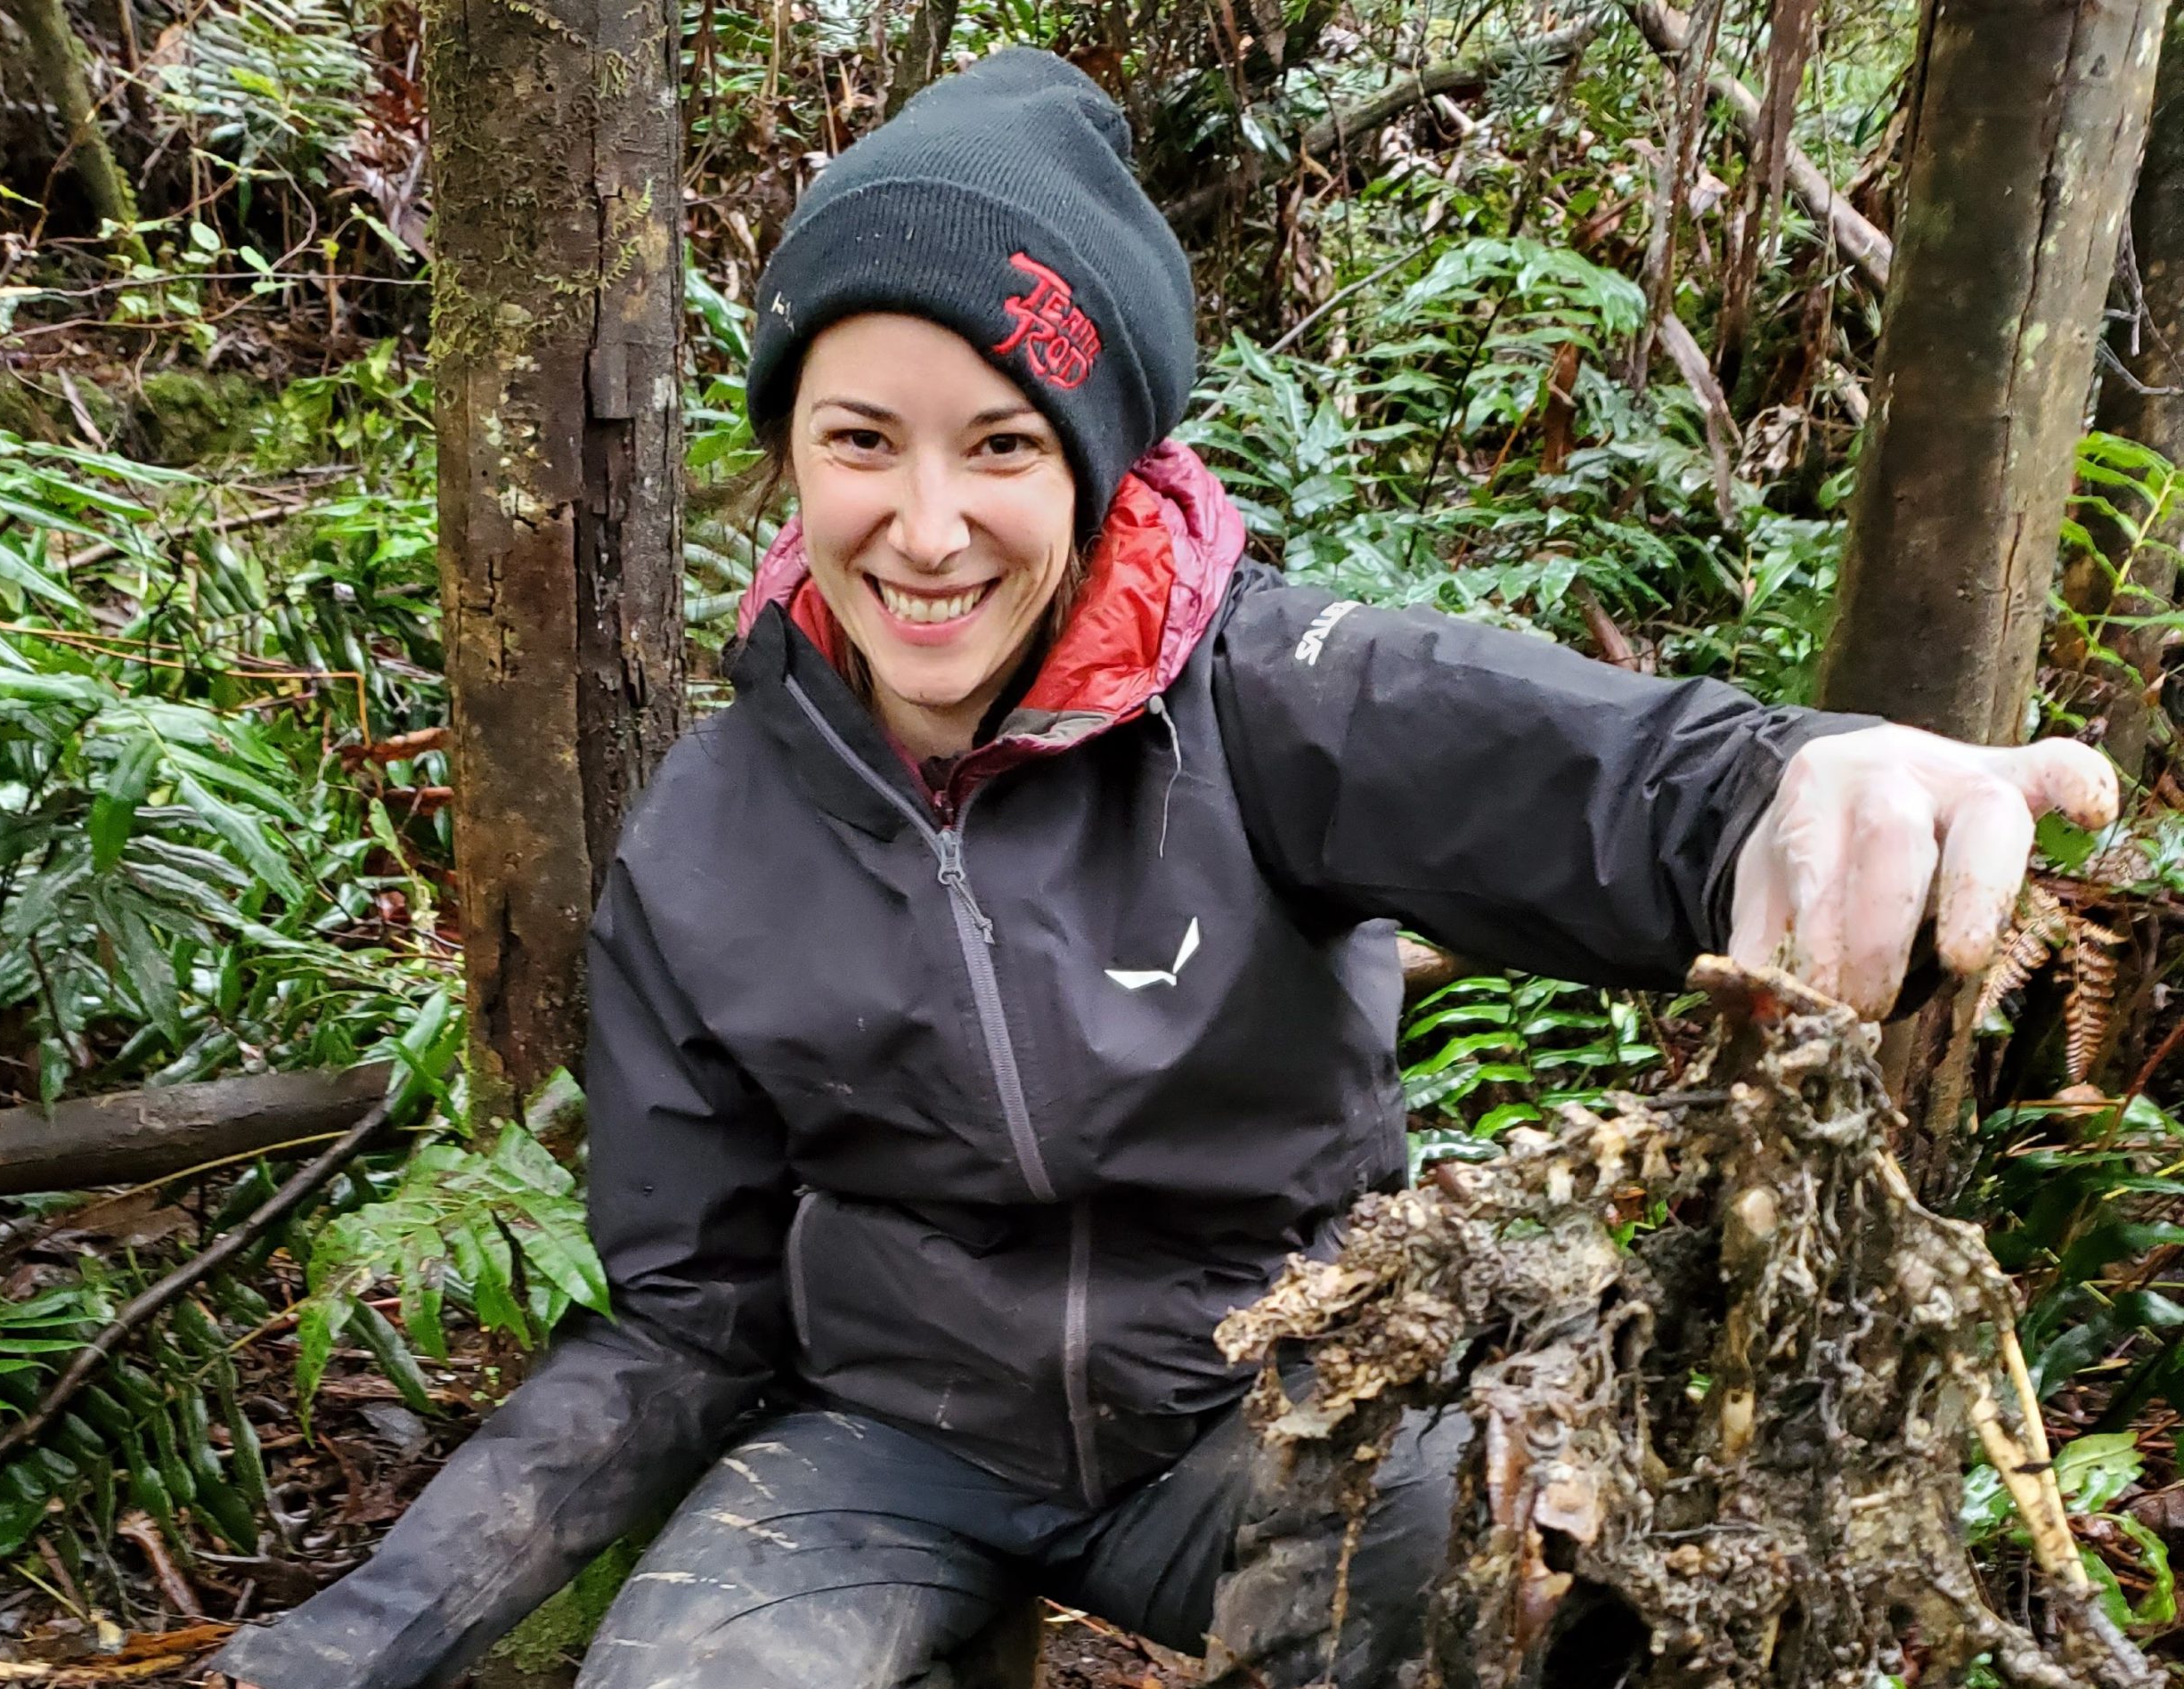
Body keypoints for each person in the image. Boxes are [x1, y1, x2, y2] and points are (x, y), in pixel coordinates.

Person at [208, 46, 2116, 1689]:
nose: (927, 525)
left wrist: (1815, 780)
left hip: (1270, 1410)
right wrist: (353, 1639)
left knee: (1555, 1585)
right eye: (858, 436)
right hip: (881, 1433)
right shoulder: (708, 838)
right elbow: (681, 1316)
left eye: (1003, 445)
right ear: (787, 451)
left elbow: (1613, 784)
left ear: (1100, 463)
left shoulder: (1273, 696)